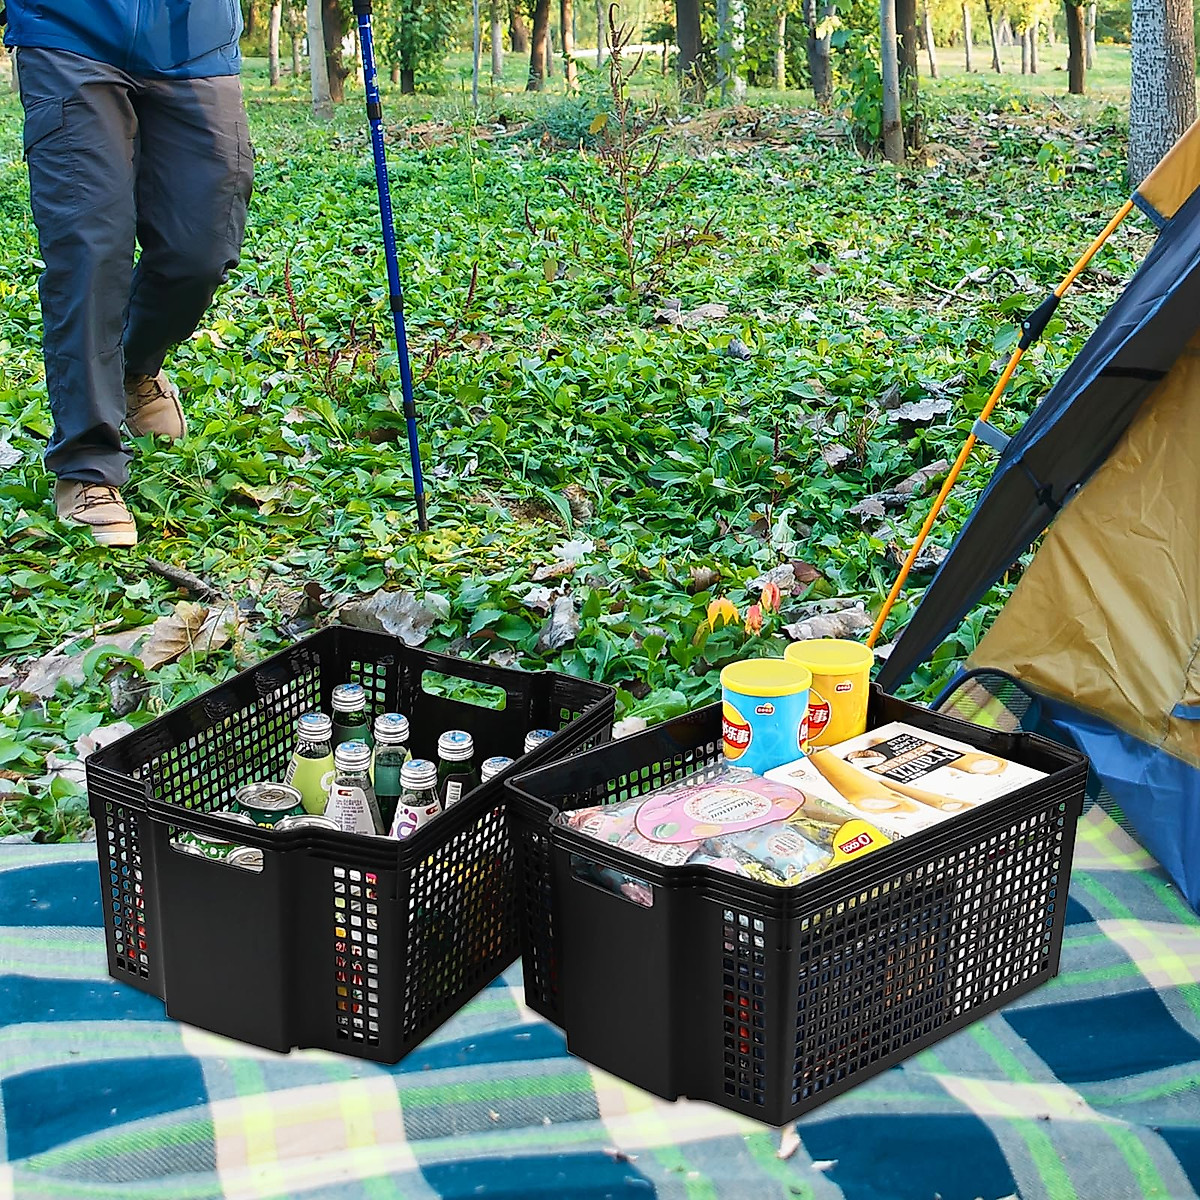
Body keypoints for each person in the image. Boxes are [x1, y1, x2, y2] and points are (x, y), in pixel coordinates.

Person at [2, 2, 254, 547]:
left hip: (196, 36)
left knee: (201, 250)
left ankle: (134, 369)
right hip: (67, 28)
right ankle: (86, 464)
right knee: (89, 248)